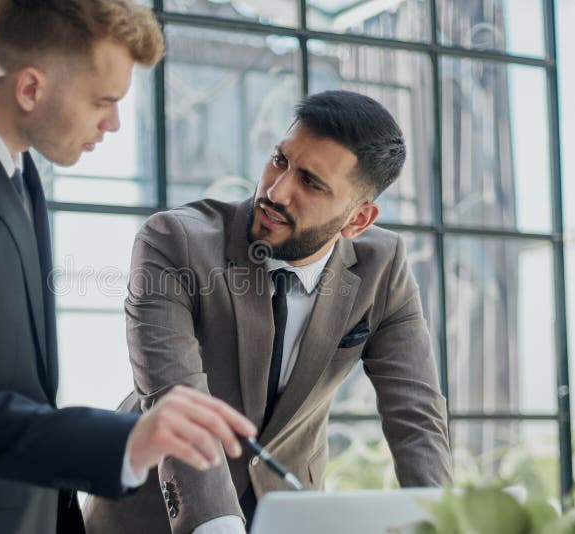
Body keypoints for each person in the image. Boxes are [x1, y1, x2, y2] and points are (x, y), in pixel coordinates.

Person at [0, 1, 257, 533]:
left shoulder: (20, 172)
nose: (114, 123)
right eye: (102, 101)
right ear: (31, 88)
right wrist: (126, 440)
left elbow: (21, 386)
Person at [84, 90, 453, 534]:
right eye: (280, 160)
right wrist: (217, 526)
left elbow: (416, 414)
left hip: (288, 512)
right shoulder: (173, 242)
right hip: (157, 513)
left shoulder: (383, 267)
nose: (277, 192)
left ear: (358, 220)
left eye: (311, 183)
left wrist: (443, 521)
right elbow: (176, 398)